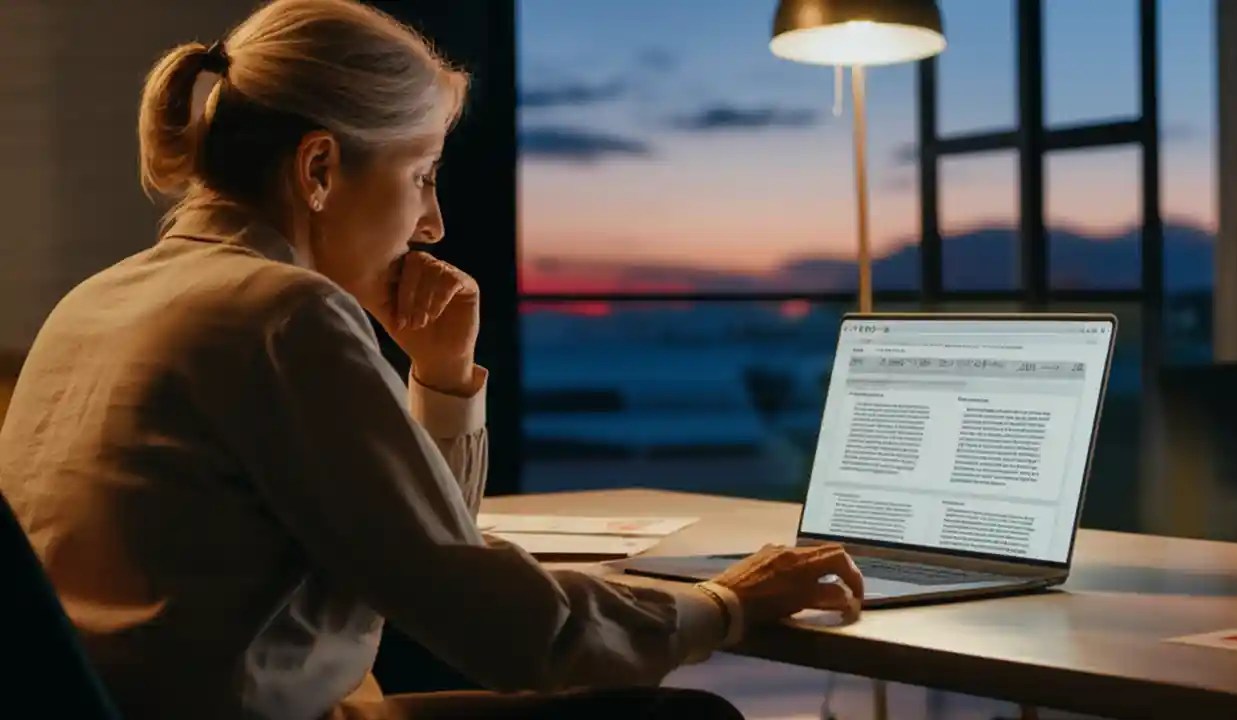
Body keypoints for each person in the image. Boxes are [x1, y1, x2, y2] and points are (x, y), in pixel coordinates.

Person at [0, 0, 864, 718]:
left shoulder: (98, 299)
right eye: (421, 175)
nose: (433, 222)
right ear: (319, 170)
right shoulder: (282, 314)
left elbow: (412, 550)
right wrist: (725, 605)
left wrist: (442, 378)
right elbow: (495, 625)